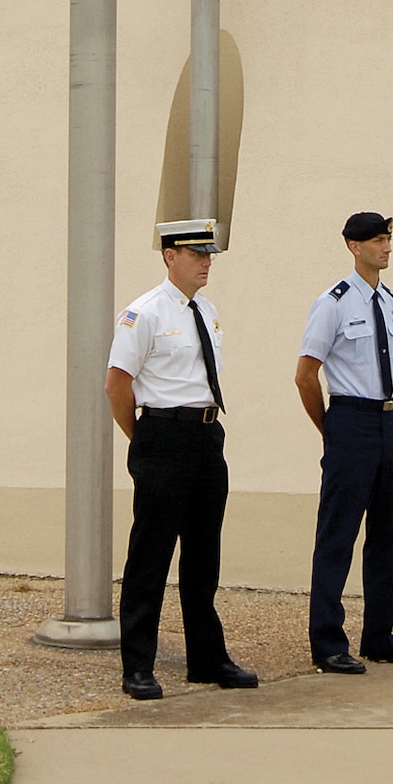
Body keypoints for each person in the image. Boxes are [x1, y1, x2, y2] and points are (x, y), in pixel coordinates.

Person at [106, 219, 259, 700]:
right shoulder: (143, 313)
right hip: (163, 437)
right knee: (150, 556)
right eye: (196, 253)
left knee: (203, 555)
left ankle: (207, 659)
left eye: (209, 254)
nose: (206, 261)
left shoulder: (207, 311)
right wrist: (145, 439)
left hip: (207, 437)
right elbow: (116, 384)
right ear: (170, 256)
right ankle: (138, 666)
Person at [294, 212, 393, 673]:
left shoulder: (389, 301)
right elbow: (305, 374)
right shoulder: (333, 303)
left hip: (389, 421)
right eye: (377, 240)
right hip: (350, 419)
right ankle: (328, 641)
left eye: (389, 238)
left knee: (386, 532)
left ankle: (378, 635)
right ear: (354, 246)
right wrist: (330, 429)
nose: (387, 247)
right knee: (338, 534)